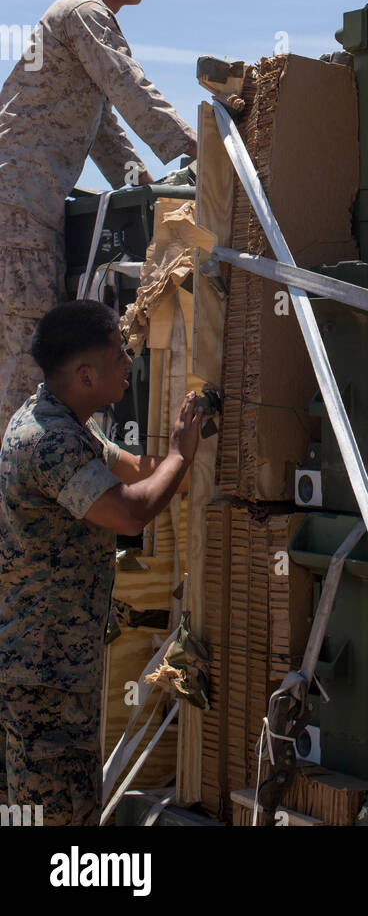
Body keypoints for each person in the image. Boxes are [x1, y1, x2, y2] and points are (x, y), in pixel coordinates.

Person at [0, 299, 202, 825]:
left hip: (50, 672)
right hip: (43, 679)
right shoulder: (49, 441)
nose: (128, 364)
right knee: (55, 818)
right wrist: (181, 455)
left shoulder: (66, 423)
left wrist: (191, 446)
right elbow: (129, 512)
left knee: (27, 814)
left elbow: (135, 470)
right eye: (120, 354)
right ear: (86, 373)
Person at [0, 0, 198, 441]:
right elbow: (129, 84)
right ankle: (21, 497)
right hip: (17, 211)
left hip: (24, 208)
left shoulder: (76, 22)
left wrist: (153, 191)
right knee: (29, 356)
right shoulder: (85, 13)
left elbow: (106, 132)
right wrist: (201, 148)